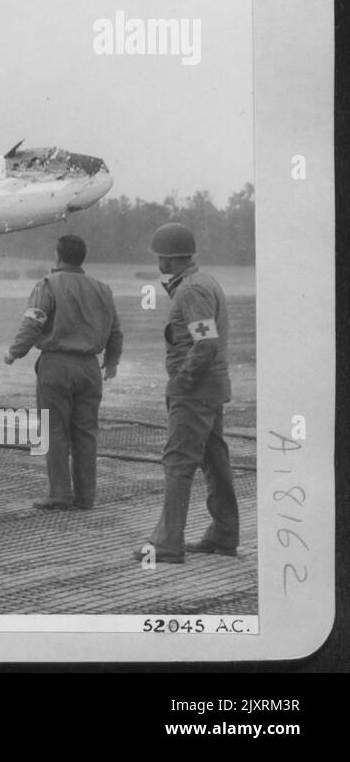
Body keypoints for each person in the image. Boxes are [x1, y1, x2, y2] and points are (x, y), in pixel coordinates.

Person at [135, 222, 238, 564]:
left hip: (195, 391)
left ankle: (167, 542)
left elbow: (205, 343)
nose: (158, 263)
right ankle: (224, 533)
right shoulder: (204, 282)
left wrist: (181, 381)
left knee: (178, 463)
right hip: (211, 388)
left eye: (160, 257)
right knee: (214, 460)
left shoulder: (191, 290)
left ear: (167, 259)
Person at [5, 235, 122, 511]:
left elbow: (33, 322)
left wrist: (14, 352)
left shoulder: (48, 284)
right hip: (90, 368)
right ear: (82, 257)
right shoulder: (102, 289)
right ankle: (85, 497)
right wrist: (113, 362)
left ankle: (59, 494)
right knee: (85, 433)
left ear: (57, 257)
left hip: (56, 366)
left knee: (54, 430)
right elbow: (115, 330)